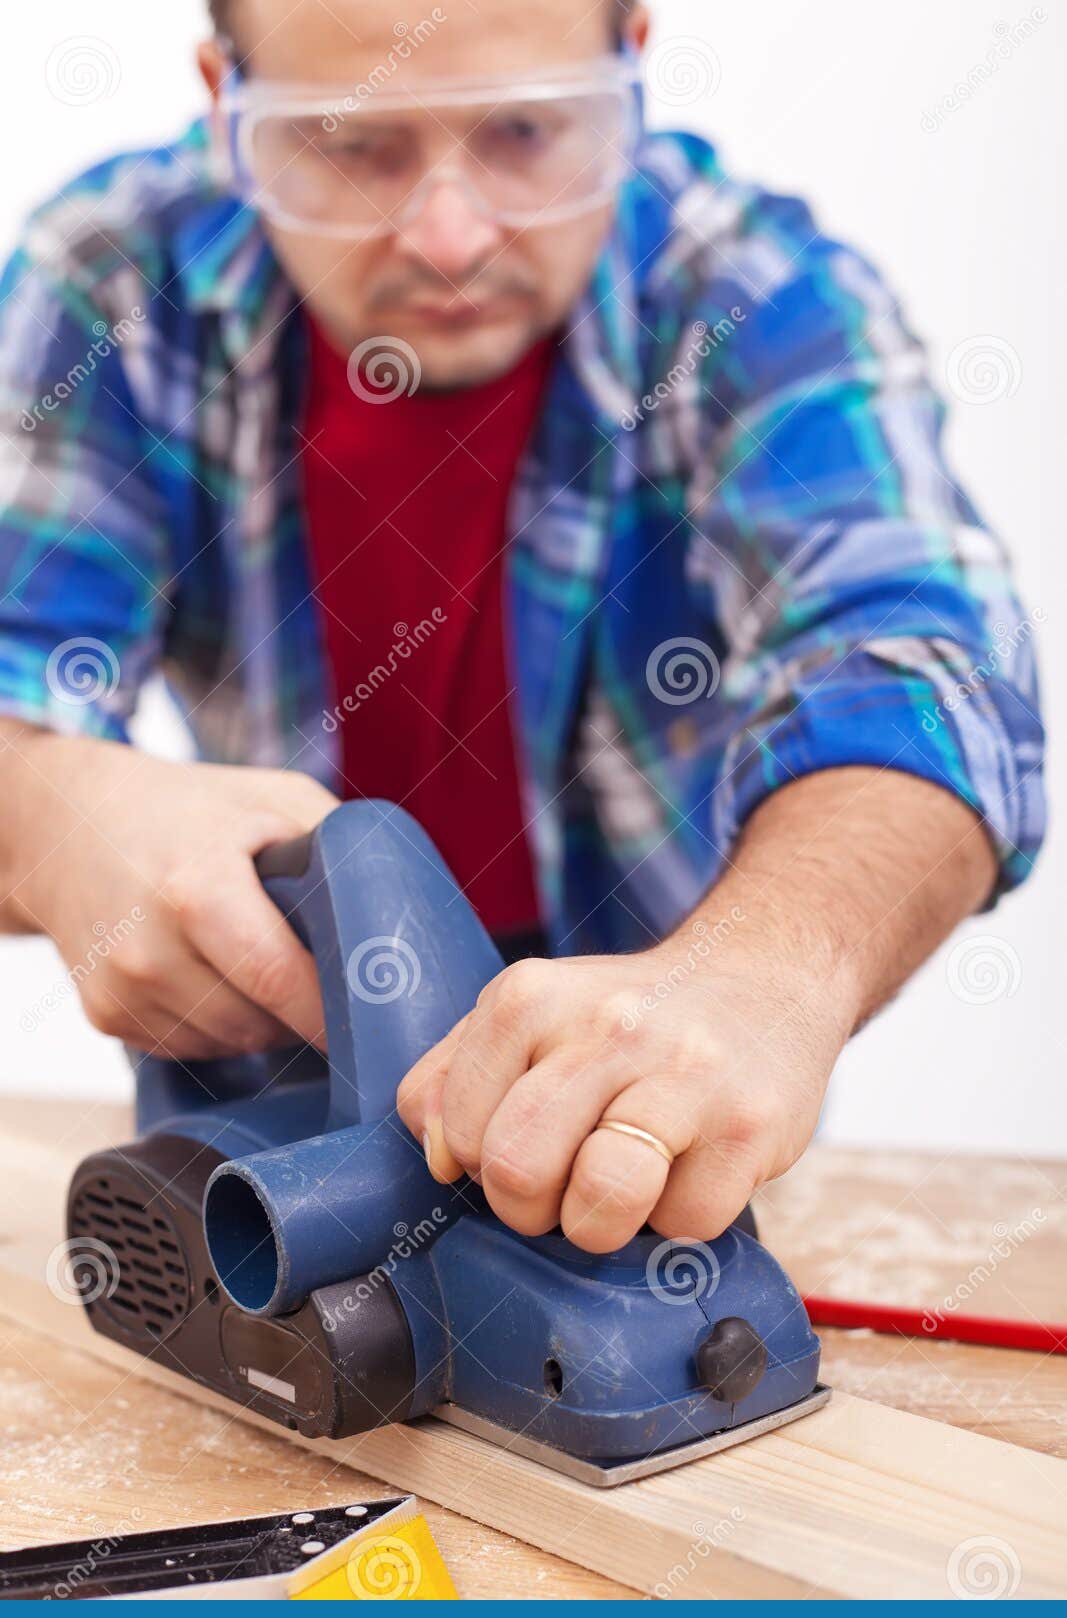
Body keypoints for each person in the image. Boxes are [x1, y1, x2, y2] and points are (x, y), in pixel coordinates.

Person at [0, 0, 1044, 1254]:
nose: (449, 236)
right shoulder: (117, 280)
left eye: (526, 130)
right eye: (352, 146)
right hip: (269, 1101)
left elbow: (927, 670)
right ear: (226, 103)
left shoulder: (750, 294)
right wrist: (48, 809)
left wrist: (765, 978)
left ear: (631, 72)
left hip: (644, 1112)